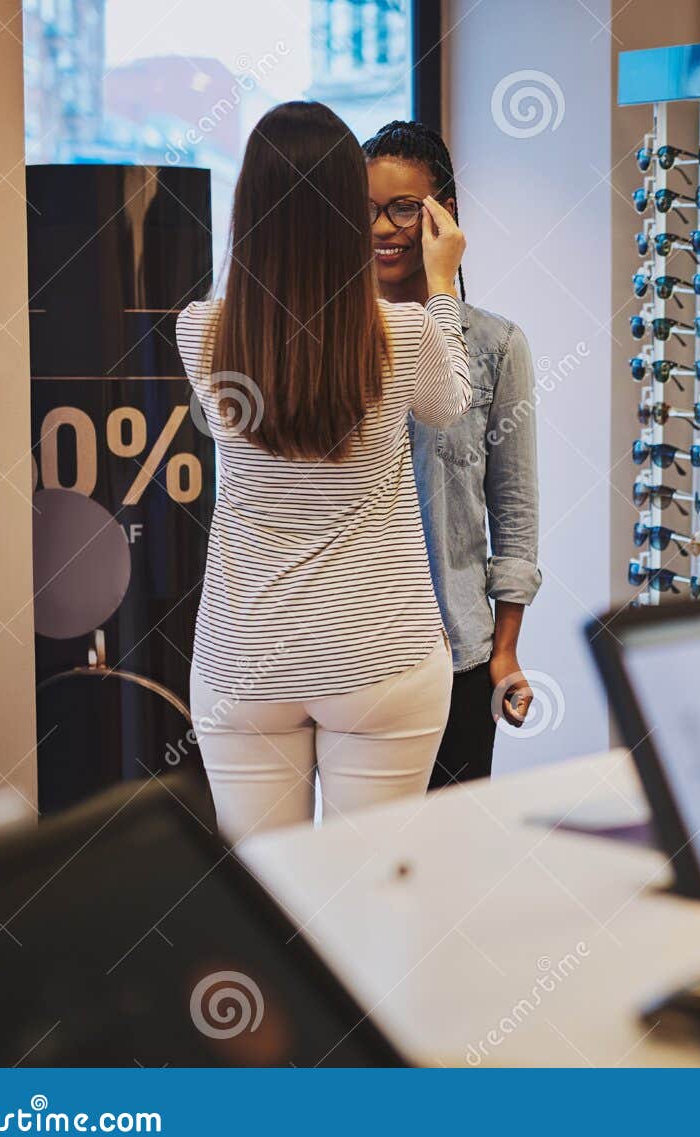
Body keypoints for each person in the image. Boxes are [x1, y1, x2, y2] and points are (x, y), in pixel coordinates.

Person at [176, 102, 470, 841]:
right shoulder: (403, 332)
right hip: (382, 653)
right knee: (371, 904)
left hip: (245, 660)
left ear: (249, 207)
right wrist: (442, 284)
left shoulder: (199, 330)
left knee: (260, 898)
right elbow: (452, 405)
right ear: (348, 211)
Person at [364, 120, 542, 787]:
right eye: (367, 209)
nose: (382, 227)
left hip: (459, 654)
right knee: (364, 865)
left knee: (456, 870)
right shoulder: (335, 344)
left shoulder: (495, 347)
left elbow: (514, 515)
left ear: (445, 218)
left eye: (404, 208)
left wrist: (506, 652)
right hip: (359, 653)